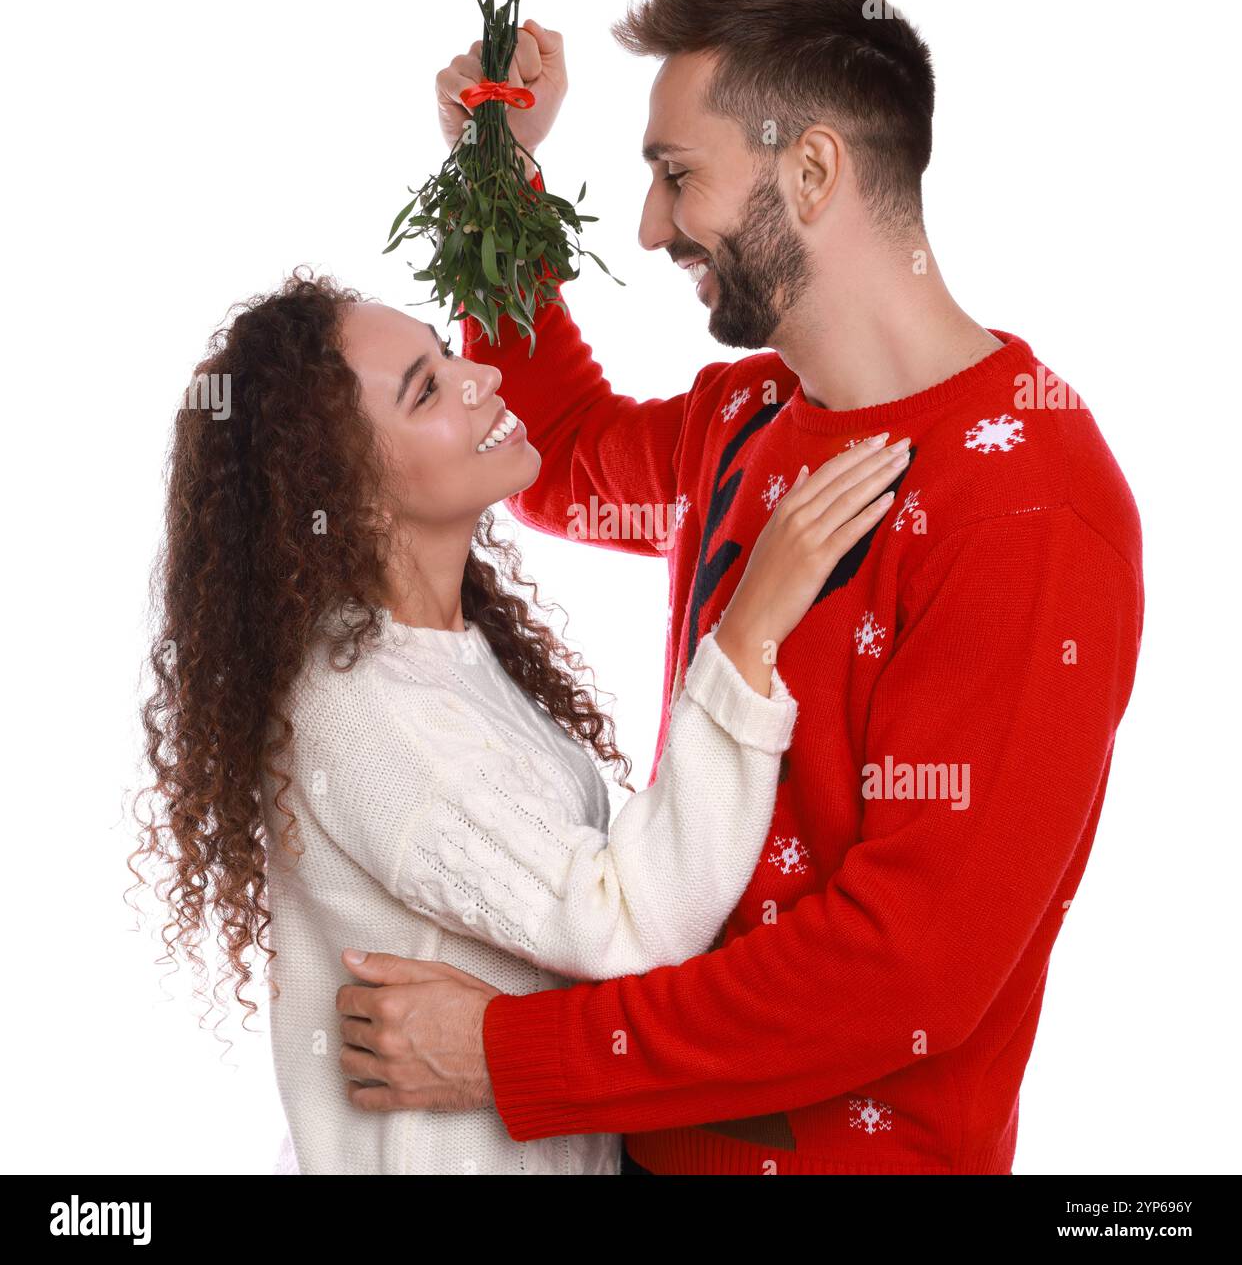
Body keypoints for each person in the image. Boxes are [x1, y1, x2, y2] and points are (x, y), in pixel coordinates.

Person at [339, 0, 1145, 1175]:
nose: (654, 223)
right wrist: (496, 167)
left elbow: (901, 972)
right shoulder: (753, 415)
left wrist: (508, 1054)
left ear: (811, 170)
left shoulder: (1030, 502)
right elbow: (549, 452)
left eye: (676, 174)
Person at [130, 265, 902, 1174]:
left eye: (448, 353)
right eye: (427, 390)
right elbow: (627, 925)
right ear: (350, 493)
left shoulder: (441, 647)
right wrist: (747, 633)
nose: (482, 378)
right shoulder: (366, 707)